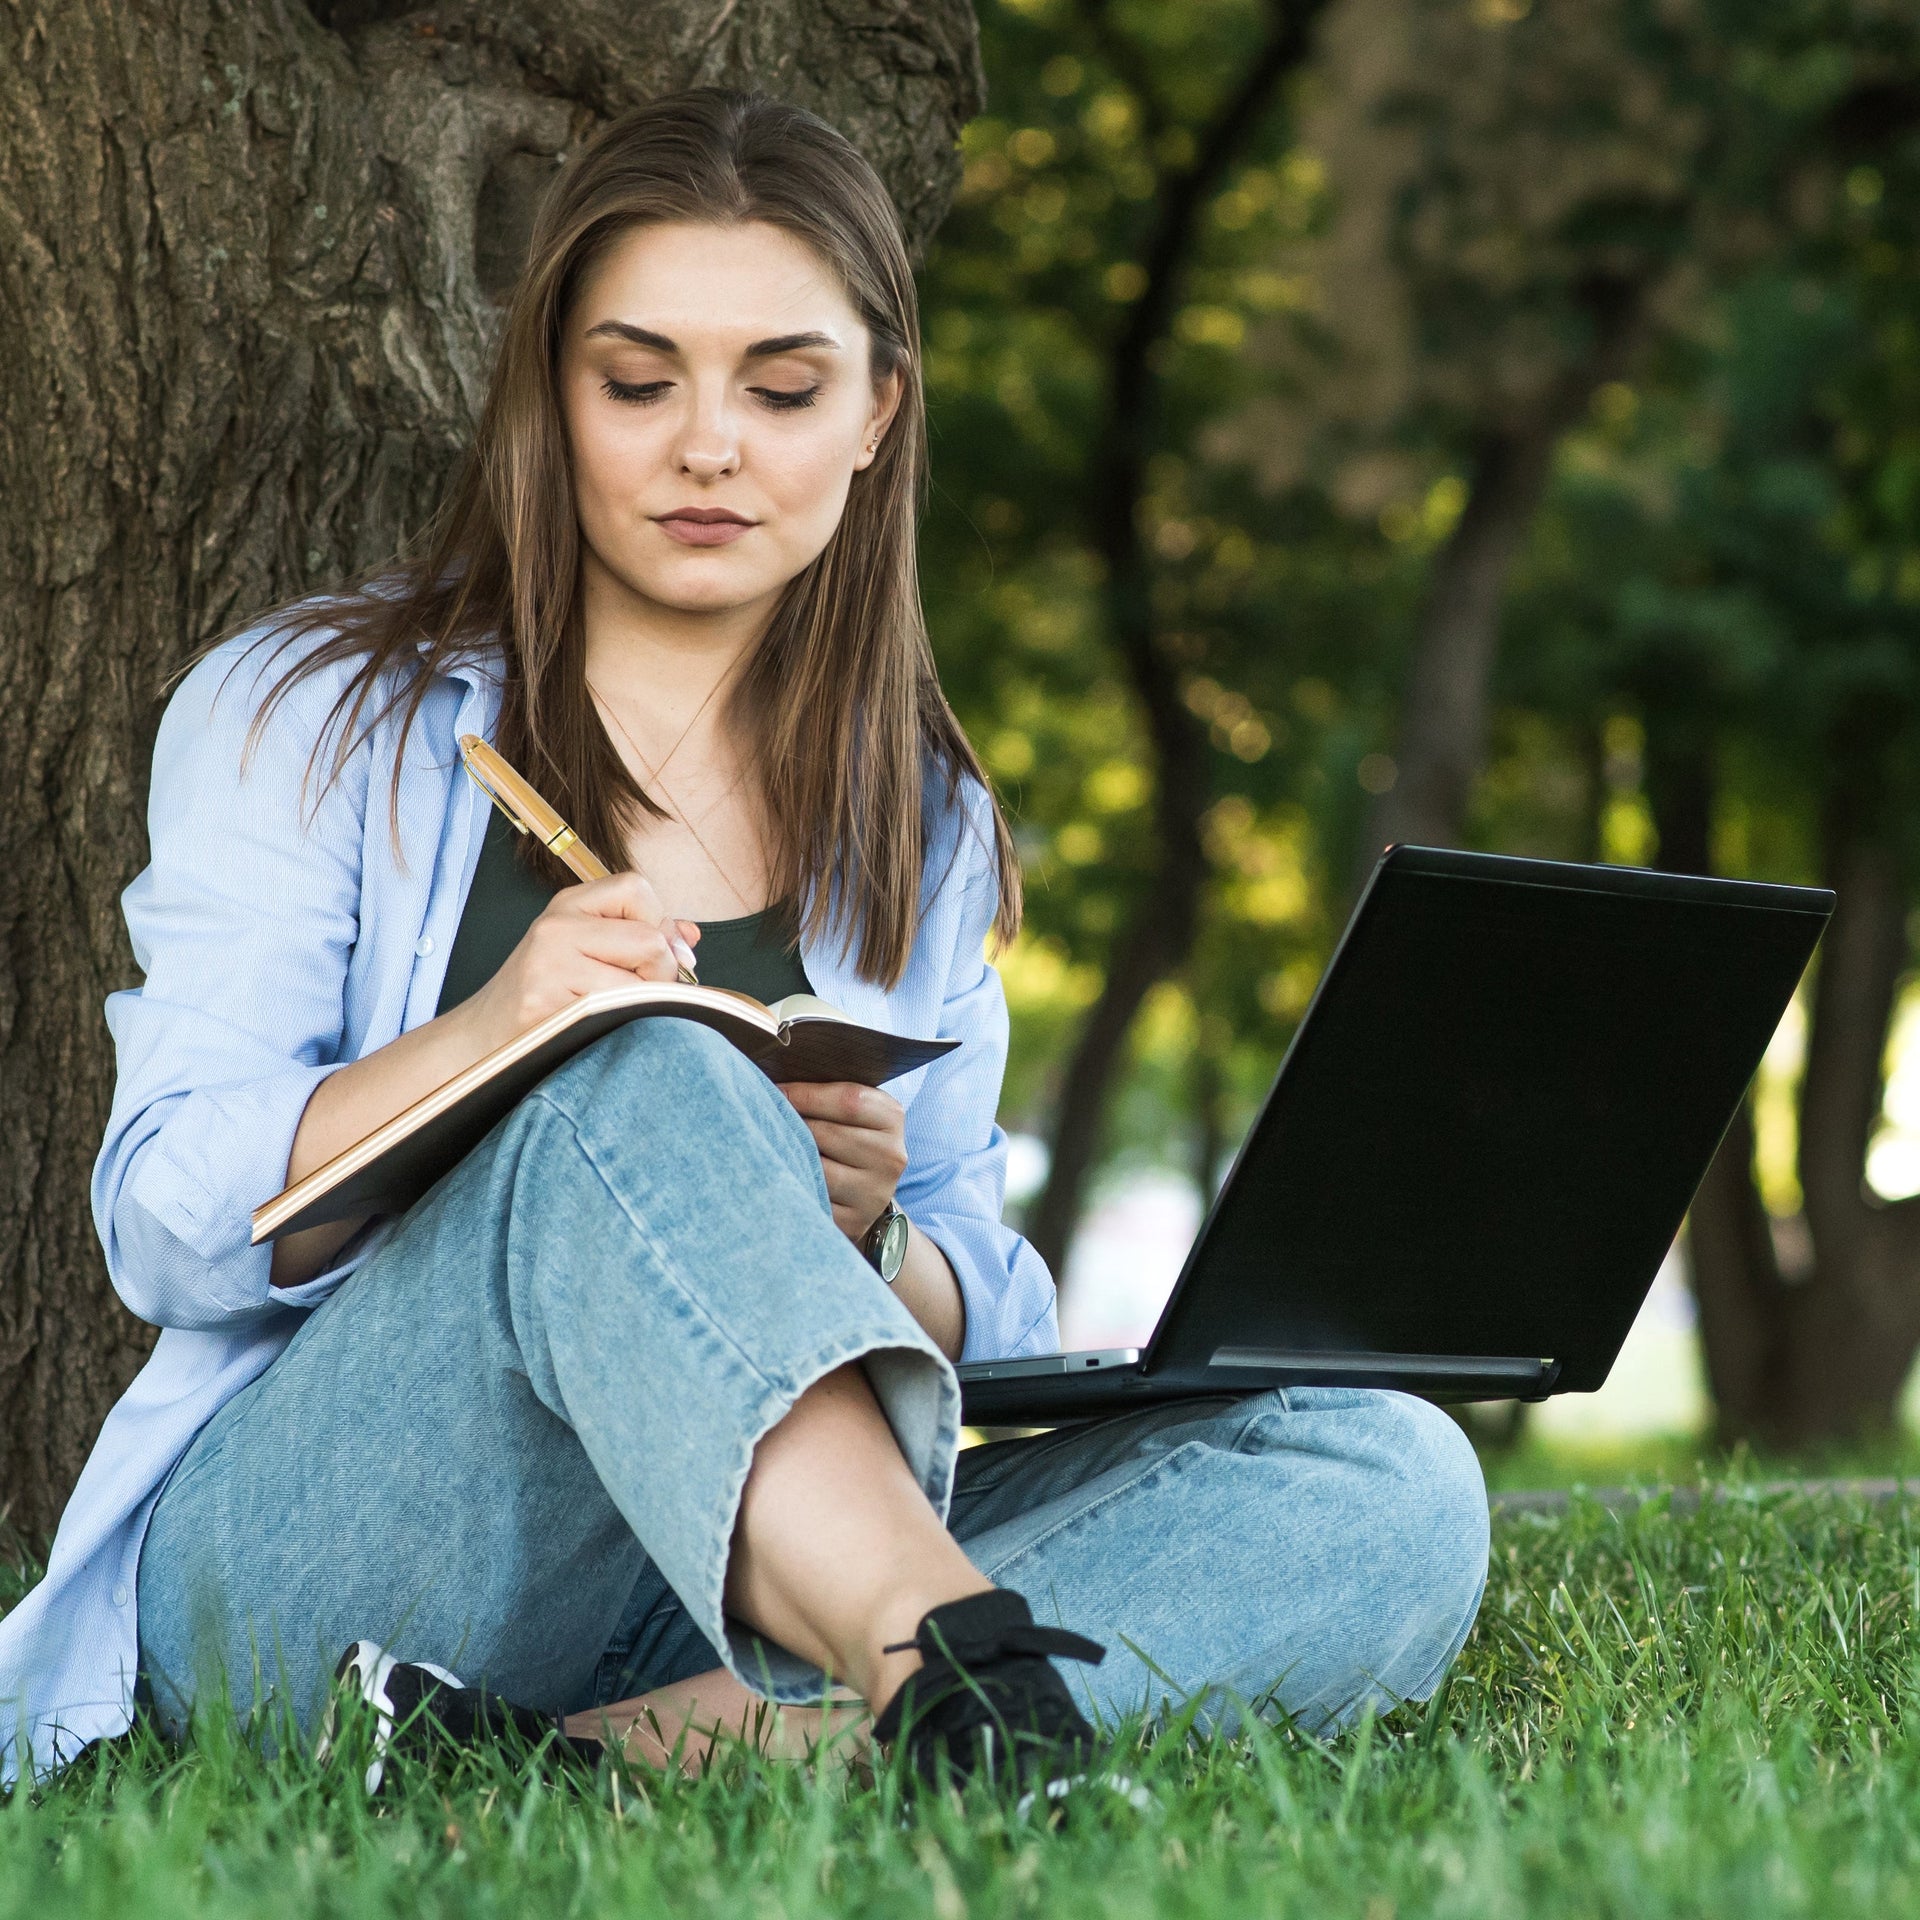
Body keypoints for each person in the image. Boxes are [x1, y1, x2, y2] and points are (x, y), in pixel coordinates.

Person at [0, 89, 1489, 1798]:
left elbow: (982, 1308)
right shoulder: (311, 718)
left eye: (781, 389)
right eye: (639, 384)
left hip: (731, 1583)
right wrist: (497, 1041)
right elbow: (163, 1223)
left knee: (1386, 1477)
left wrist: (871, 1239)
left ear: (874, 417)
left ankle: (613, 1764)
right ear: (551, 405)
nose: (709, 444)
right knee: (641, 1069)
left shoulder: (916, 815)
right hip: (325, 1559)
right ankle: (956, 1678)